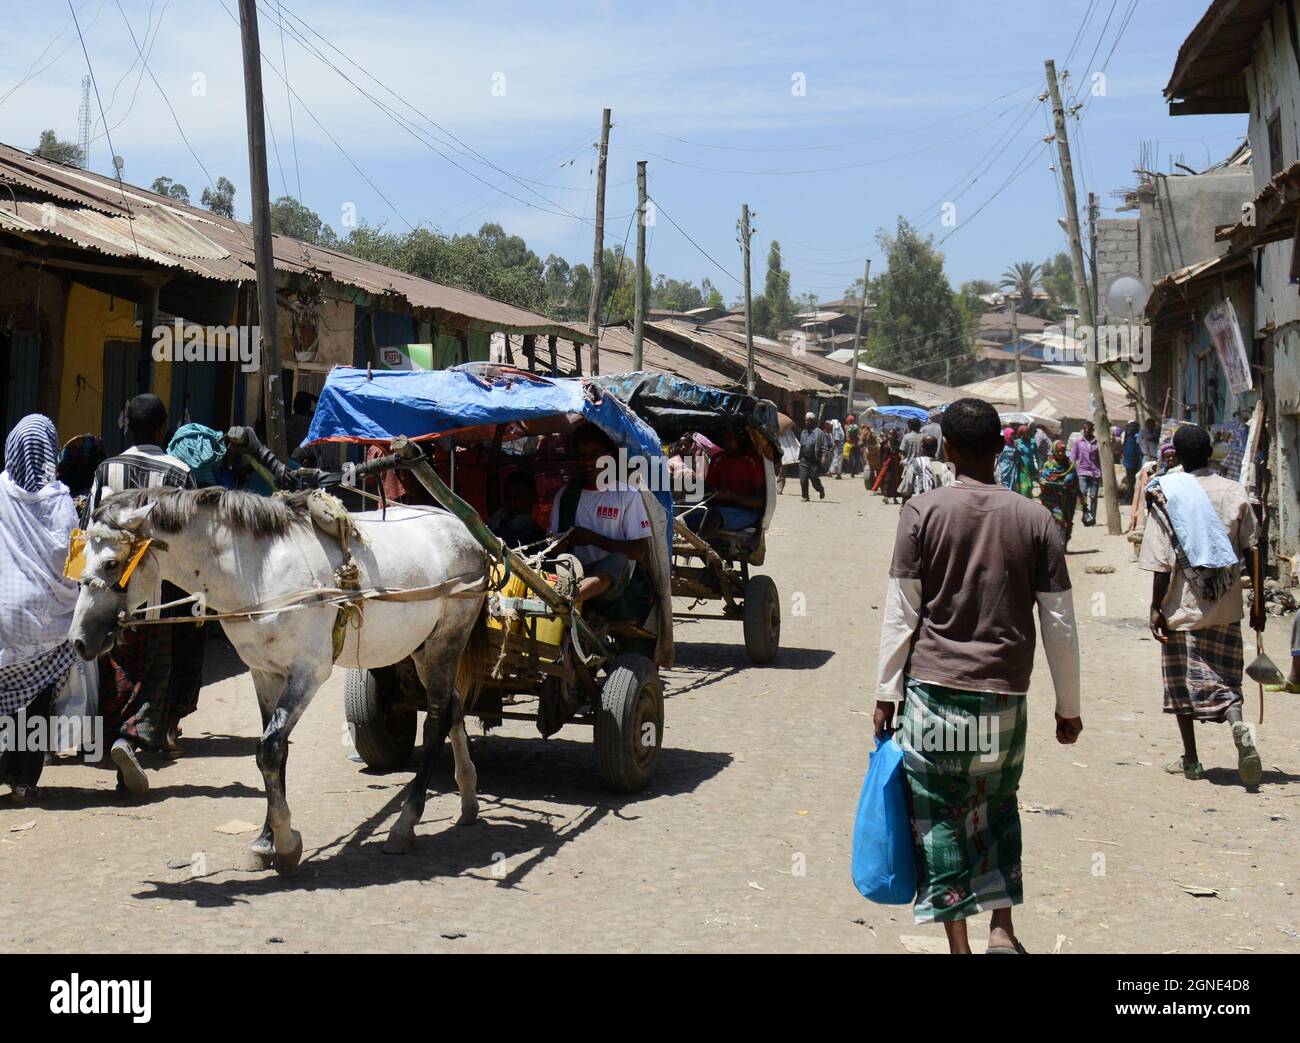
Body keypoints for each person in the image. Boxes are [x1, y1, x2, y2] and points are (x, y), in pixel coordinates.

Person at [874, 397, 1081, 954]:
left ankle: (960, 947)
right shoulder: (1036, 519)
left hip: (935, 695)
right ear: (1000, 449)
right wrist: (1069, 706)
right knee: (998, 805)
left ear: (947, 448)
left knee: (939, 815)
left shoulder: (921, 512)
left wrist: (885, 693)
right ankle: (1003, 929)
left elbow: (902, 611)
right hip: (1004, 696)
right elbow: (1058, 620)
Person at [1139, 424, 1262, 785]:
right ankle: (1237, 724)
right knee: (1225, 678)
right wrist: (1258, 606)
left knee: (1181, 684)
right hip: (1225, 604)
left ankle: (1191, 759)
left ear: (1175, 456)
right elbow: (1254, 547)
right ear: (1211, 453)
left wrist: (1155, 607)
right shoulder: (1233, 490)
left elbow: (1162, 561)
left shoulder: (1167, 493)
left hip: (1184, 607)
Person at [87, 394, 196, 795]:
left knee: (117, 667)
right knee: (154, 671)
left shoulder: (105, 470)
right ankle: (129, 741)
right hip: (159, 598)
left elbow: (90, 537)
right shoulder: (180, 474)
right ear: (162, 428)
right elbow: (190, 543)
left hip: (113, 598)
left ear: (126, 426)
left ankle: (114, 737)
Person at [0, 416, 81, 803]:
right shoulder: (60, 499)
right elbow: (74, 561)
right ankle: (23, 781)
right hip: (47, 623)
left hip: (3, 618)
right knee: (36, 702)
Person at [550, 424, 654, 617]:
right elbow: (554, 543)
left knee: (618, 560)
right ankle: (567, 590)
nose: (588, 461)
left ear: (610, 456)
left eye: (595, 454)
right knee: (563, 560)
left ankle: (571, 597)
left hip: (612, 583)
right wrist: (558, 544)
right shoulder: (565, 496)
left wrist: (594, 539)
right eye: (582, 455)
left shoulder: (627, 495)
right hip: (573, 572)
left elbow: (638, 551)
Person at [689, 422, 765, 537]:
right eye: (724, 438)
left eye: (730, 439)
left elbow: (760, 501)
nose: (725, 442)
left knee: (713, 515)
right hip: (718, 509)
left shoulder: (755, 462)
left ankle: (698, 545)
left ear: (740, 439)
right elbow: (708, 489)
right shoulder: (718, 459)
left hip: (746, 512)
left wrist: (731, 496)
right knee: (684, 517)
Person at [488, 470, 546, 548]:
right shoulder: (526, 523)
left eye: (519, 497)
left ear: (533, 497)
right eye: (508, 498)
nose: (512, 503)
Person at [1038, 440, 1079, 550]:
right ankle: (1057, 546)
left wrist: (1082, 501)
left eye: (1063, 451)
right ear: (1054, 450)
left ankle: (1064, 544)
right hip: (1052, 500)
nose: (1061, 453)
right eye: (1059, 451)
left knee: (1068, 522)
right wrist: (1045, 482)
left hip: (1067, 500)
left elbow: (1075, 482)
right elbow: (1042, 480)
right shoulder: (1048, 465)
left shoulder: (1070, 466)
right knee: (1058, 519)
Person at [897, 434, 951, 505]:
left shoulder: (915, 464)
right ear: (936, 449)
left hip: (919, 505)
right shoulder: (943, 467)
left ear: (922, 448)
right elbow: (947, 491)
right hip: (937, 507)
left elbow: (906, 490)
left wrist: (903, 507)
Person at [1070, 420, 1102, 526]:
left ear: (1092, 430)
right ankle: (1085, 513)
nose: (1086, 431)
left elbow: (1101, 458)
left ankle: (1092, 517)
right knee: (1082, 494)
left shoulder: (1097, 442)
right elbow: (1073, 456)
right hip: (1082, 471)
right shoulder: (1078, 442)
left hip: (1095, 473)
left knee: (1093, 496)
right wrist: (1071, 469)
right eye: (1085, 429)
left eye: (1088, 429)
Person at [797, 412, 828, 502]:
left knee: (814, 479)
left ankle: (820, 489)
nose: (806, 422)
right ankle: (805, 496)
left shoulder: (819, 433)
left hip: (814, 461)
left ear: (813, 421)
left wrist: (823, 457)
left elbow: (824, 446)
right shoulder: (803, 432)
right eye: (805, 420)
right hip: (803, 459)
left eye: (808, 421)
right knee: (803, 479)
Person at [871, 428, 902, 503]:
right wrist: (882, 463)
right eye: (890, 434)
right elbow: (881, 454)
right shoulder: (884, 443)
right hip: (887, 464)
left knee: (896, 481)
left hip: (896, 464)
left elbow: (900, 453)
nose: (891, 436)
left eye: (893, 434)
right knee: (887, 480)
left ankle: (895, 498)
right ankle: (886, 496)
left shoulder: (898, 443)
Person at [1012, 425, 1038, 498]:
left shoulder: (1033, 441)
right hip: (1022, 468)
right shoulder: (1018, 442)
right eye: (1025, 433)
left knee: (1030, 486)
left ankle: (1028, 500)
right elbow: (1014, 455)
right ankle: (1023, 500)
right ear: (1021, 433)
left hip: (1031, 467)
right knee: (1025, 487)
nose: (1027, 434)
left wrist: (1039, 468)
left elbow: (1037, 455)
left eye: (1027, 432)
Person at [1121, 420, 1143, 496]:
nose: (1129, 430)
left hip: (1135, 461)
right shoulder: (1128, 437)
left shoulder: (1137, 436)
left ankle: (1131, 495)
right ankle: (1130, 495)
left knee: (1134, 479)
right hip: (1129, 461)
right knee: (1131, 480)